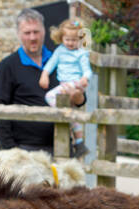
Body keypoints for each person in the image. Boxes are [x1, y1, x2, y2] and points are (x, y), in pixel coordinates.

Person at [0, 9, 85, 153]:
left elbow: (82, 100)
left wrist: (78, 97)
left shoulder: (62, 60)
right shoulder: (7, 66)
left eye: (36, 31)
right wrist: (11, 150)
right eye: (27, 33)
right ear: (18, 34)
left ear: (44, 31)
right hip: (24, 149)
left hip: (61, 146)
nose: (32, 37)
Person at [40, 19, 91, 155]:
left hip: (75, 83)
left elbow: (87, 69)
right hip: (64, 84)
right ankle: (80, 143)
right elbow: (51, 64)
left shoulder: (81, 53)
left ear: (80, 39)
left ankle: (62, 116)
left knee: (49, 96)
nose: (70, 43)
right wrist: (44, 75)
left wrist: (85, 78)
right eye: (67, 39)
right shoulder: (60, 51)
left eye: (74, 40)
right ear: (61, 37)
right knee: (71, 112)